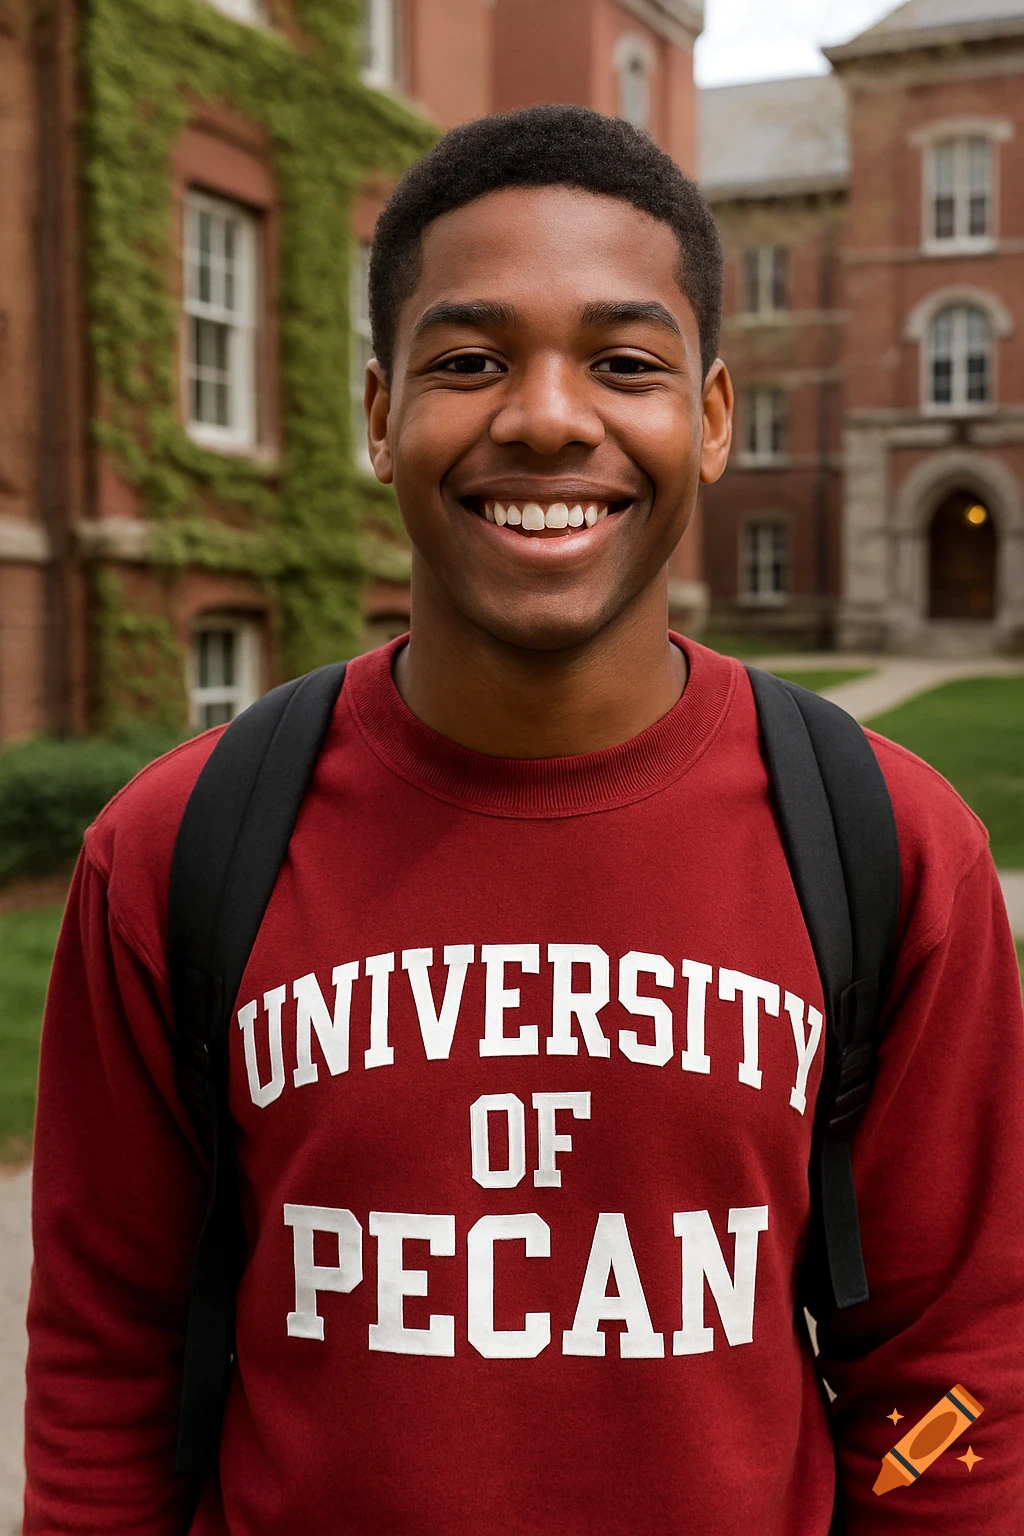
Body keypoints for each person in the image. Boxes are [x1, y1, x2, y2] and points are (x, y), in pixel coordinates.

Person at [24, 105, 1024, 1534]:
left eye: (623, 362)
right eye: (471, 360)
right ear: (379, 415)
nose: (549, 417)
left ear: (714, 416)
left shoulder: (891, 848)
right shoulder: (176, 850)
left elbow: (954, 1374)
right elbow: (104, 1364)